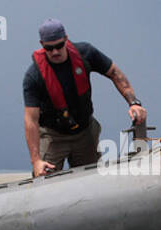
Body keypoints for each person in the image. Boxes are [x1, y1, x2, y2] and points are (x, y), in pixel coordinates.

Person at [23, 18, 147, 177]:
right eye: (49, 48)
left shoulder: (85, 53)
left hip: (84, 132)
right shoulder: (34, 76)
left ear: (66, 39)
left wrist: (134, 103)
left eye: (59, 46)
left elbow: (114, 73)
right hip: (53, 136)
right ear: (42, 45)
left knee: (92, 178)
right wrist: (36, 161)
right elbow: (30, 120)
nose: (55, 52)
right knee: (43, 179)